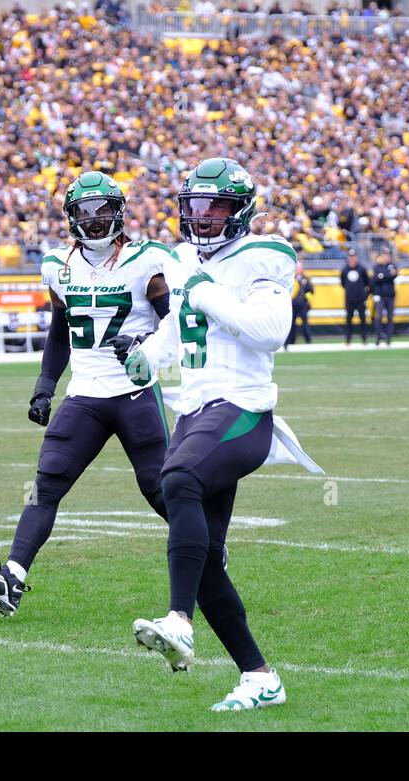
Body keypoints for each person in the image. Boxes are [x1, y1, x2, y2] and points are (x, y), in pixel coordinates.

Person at [123, 157, 297, 711]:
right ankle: (259, 677)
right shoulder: (179, 261)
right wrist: (148, 356)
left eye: (216, 206)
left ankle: (179, 621)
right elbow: (177, 325)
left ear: (240, 210)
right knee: (202, 557)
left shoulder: (261, 256)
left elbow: (271, 332)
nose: (202, 217)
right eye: (195, 205)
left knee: (176, 481)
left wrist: (205, 294)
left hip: (243, 407)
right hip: (195, 410)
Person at [0, 172, 173, 615]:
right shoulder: (59, 265)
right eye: (85, 213)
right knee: (47, 482)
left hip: (135, 390)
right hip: (85, 393)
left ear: (120, 212)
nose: (95, 222)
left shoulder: (148, 260)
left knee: (157, 487)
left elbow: (176, 326)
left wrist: (144, 348)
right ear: (71, 218)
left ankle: (208, 547)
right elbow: (60, 332)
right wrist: (44, 388)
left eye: (104, 211)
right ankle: (11, 579)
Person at [340, 249, 370, 345]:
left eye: (353, 257)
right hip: (349, 299)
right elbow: (343, 283)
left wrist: (364, 295)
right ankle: (348, 339)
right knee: (349, 319)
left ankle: (364, 338)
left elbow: (367, 282)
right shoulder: (344, 270)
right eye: (350, 257)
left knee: (363, 319)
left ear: (356, 258)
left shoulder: (362, 269)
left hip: (360, 299)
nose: (352, 259)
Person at [371, 251, 398, 345]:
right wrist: (387, 275)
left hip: (390, 296)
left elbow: (393, 275)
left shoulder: (392, 265)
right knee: (379, 317)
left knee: (390, 317)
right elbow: (374, 279)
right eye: (384, 255)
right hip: (380, 296)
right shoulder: (377, 267)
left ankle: (389, 339)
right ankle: (378, 338)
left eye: (387, 255)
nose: (386, 257)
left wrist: (382, 275)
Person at [287, 262, 314, 346]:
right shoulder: (290, 279)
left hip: (303, 305)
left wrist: (307, 297)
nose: (298, 270)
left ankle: (308, 341)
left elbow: (311, 290)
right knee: (291, 325)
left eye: (299, 268)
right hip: (293, 305)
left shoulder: (305, 279)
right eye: (297, 268)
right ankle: (290, 342)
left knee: (305, 324)